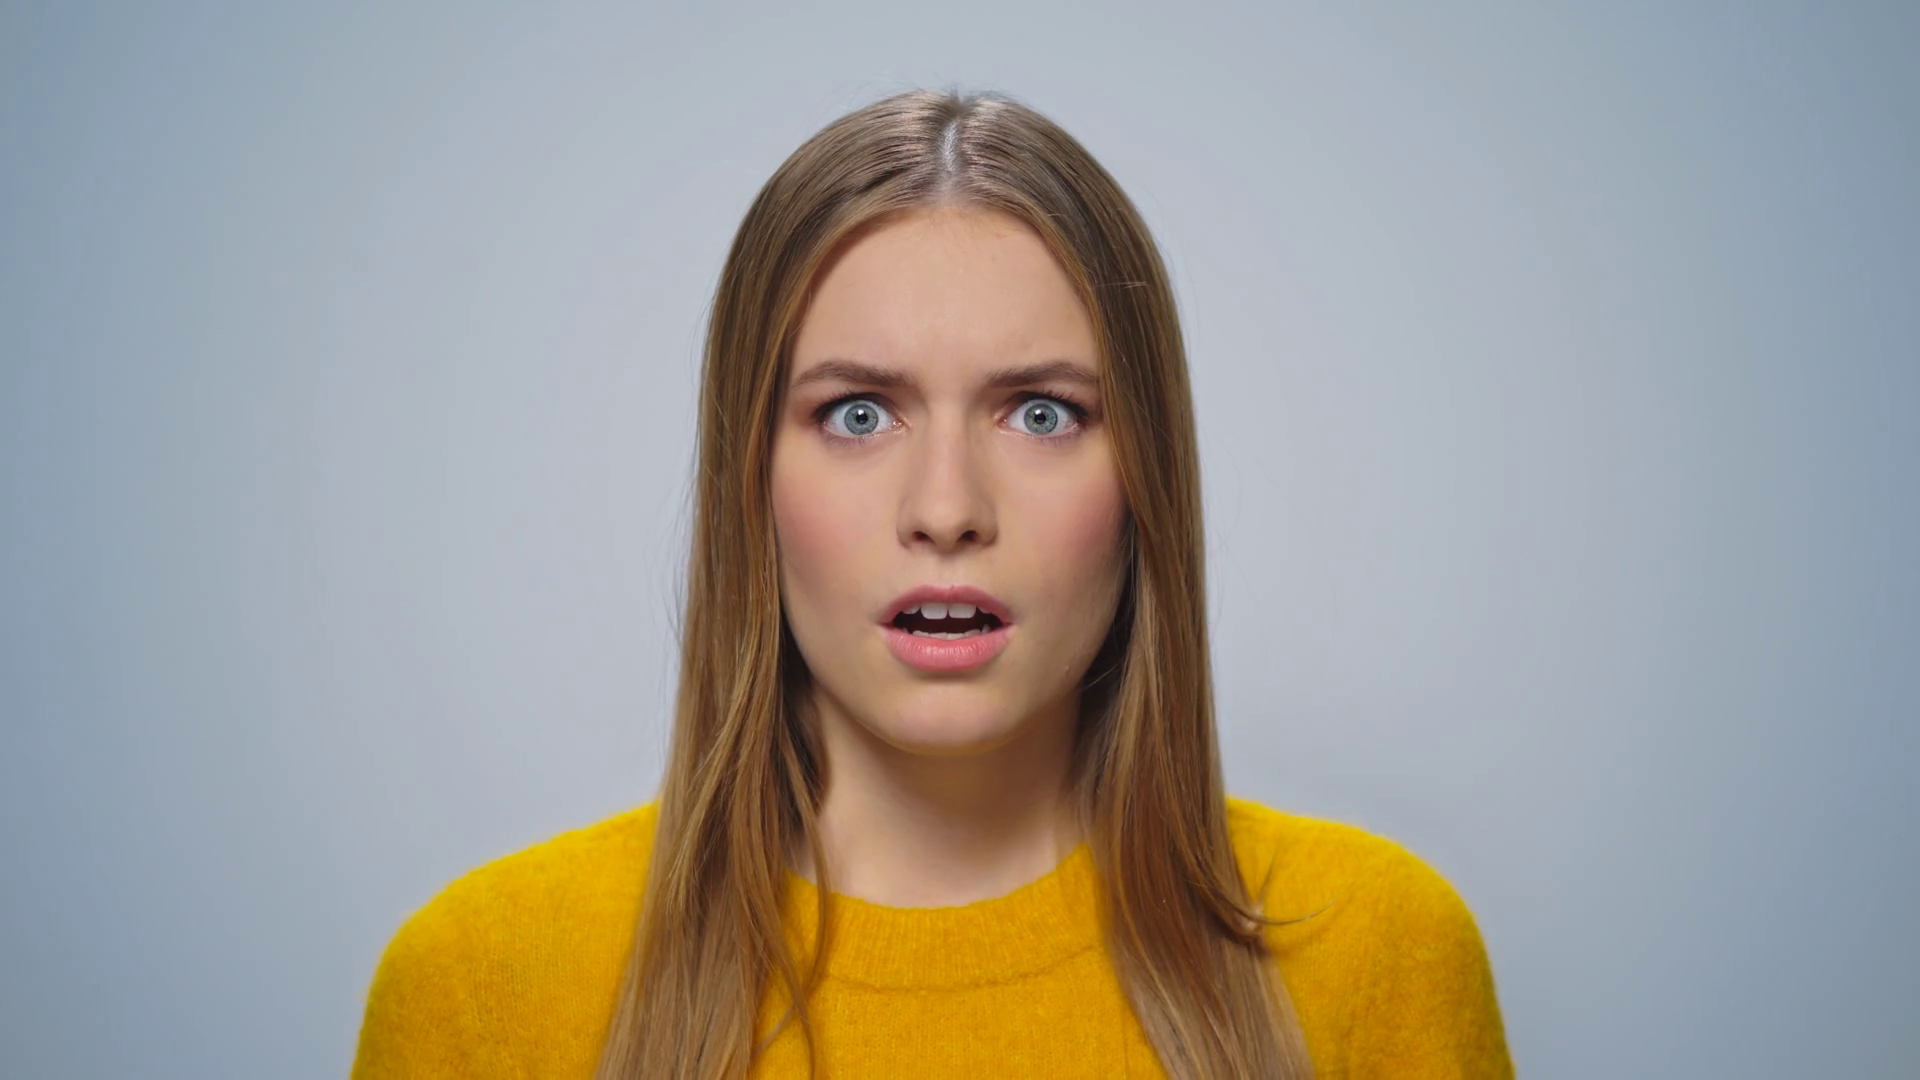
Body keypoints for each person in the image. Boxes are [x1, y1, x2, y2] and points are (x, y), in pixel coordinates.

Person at [350, 88, 1512, 1080]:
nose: (947, 508)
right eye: (856, 415)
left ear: (1147, 474)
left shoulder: (1376, 952)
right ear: (748, 480)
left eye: (1042, 414)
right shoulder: (482, 989)